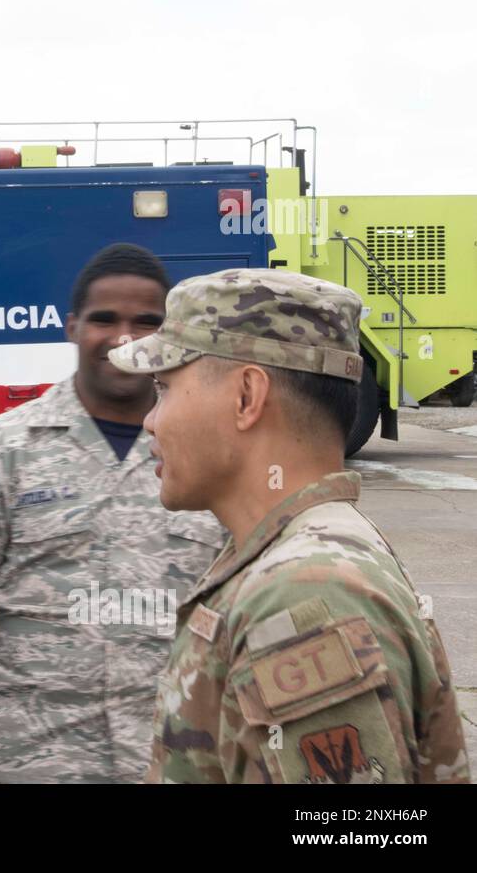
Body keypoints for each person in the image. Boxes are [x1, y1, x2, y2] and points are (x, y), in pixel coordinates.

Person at [108, 268, 470, 784]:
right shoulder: (298, 555)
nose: (151, 420)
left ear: (246, 397)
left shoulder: (304, 596)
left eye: (164, 388)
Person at [0, 244, 225, 783]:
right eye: (104, 320)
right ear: (71, 327)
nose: (124, 337)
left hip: (175, 760)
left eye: (146, 323)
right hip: (32, 760)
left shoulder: (211, 456)